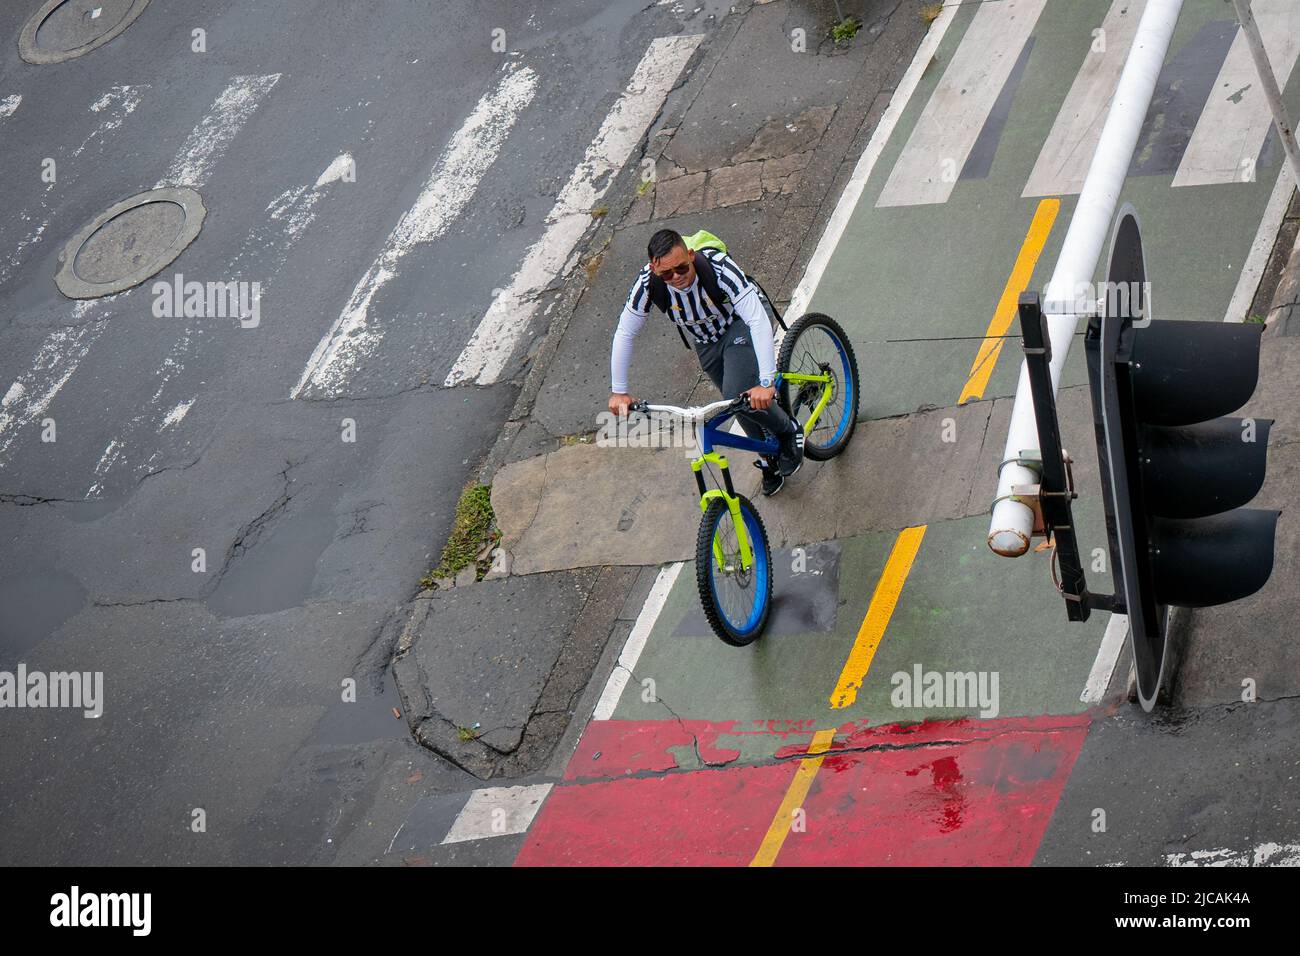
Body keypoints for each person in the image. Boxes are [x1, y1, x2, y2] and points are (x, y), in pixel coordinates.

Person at [608, 228, 803, 496]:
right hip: (706, 340)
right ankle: (768, 458)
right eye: (666, 274)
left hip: (740, 324)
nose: (676, 278)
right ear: (655, 269)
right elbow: (625, 332)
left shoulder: (718, 268)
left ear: (690, 255)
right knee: (734, 404)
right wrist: (619, 391)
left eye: (681, 268)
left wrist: (767, 382)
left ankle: (788, 431)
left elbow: (756, 319)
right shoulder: (648, 283)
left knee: (738, 391)